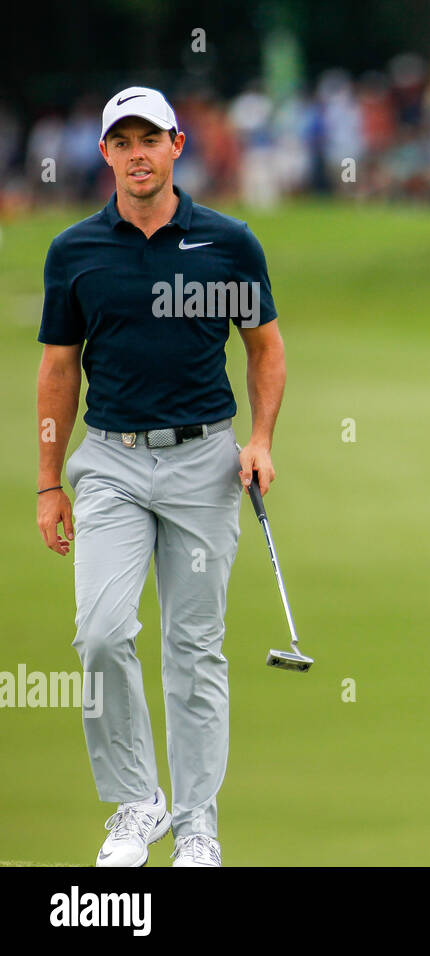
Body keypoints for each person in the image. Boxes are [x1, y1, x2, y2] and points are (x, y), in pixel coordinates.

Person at [36, 87, 285, 867]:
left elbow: (264, 347)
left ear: (179, 144)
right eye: (122, 141)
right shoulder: (75, 251)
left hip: (205, 462)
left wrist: (263, 439)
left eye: (151, 138)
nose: (137, 152)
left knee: (194, 645)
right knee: (101, 634)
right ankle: (135, 804)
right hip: (108, 460)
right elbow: (57, 368)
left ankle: (197, 821)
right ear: (105, 153)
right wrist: (49, 482)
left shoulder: (228, 243)